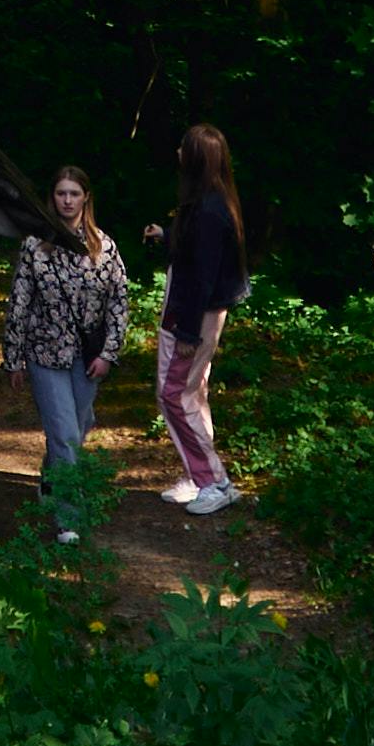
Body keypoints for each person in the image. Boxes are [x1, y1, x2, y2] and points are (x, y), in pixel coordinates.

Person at [4, 165, 130, 532]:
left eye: (74, 193)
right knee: (64, 434)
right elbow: (19, 302)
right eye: (61, 193)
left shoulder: (103, 247)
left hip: (86, 356)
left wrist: (109, 353)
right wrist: (13, 358)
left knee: (80, 425)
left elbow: (119, 301)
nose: (68, 200)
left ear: (85, 198)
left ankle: (50, 477)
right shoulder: (35, 246)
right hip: (45, 353)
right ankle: (69, 519)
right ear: (52, 197)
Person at [158, 124, 247, 513]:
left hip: (193, 319)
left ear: (196, 158)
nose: (177, 152)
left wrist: (188, 332)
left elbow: (202, 278)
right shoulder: (208, 203)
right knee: (192, 394)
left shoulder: (210, 211)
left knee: (173, 395)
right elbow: (196, 258)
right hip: (195, 315)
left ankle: (215, 481)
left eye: (183, 147)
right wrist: (166, 239)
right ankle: (200, 477)